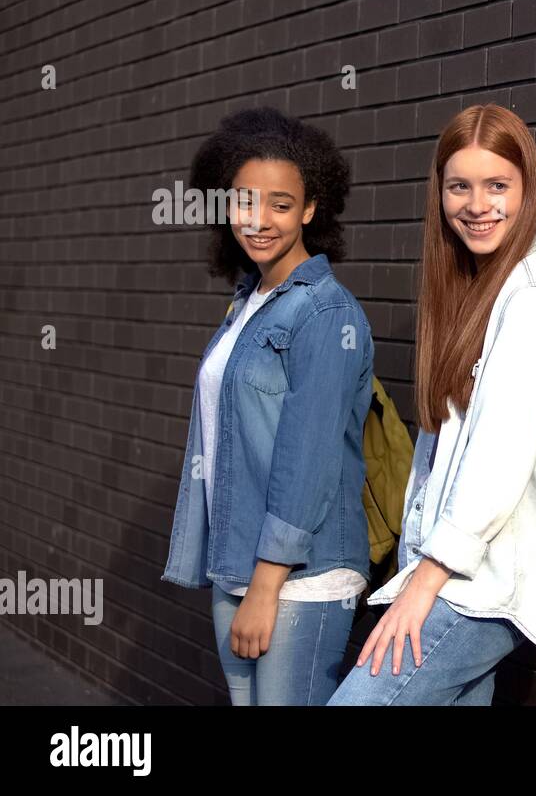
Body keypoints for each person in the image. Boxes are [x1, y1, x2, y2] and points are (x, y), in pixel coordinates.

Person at [328, 103, 536, 706]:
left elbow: (500, 461)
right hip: (456, 579)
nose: (478, 204)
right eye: (460, 186)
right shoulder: (475, 292)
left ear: (528, 191)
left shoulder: (530, 302)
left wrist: (424, 582)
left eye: (498, 185)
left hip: (474, 590)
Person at [161, 107, 374, 705]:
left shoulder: (325, 313)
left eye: (280, 204)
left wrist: (264, 588)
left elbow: (306, 462)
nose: (259, 220)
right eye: (245, 202)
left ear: (310, 210)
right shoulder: (249, 303)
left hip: (297, 580)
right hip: (237, 566)